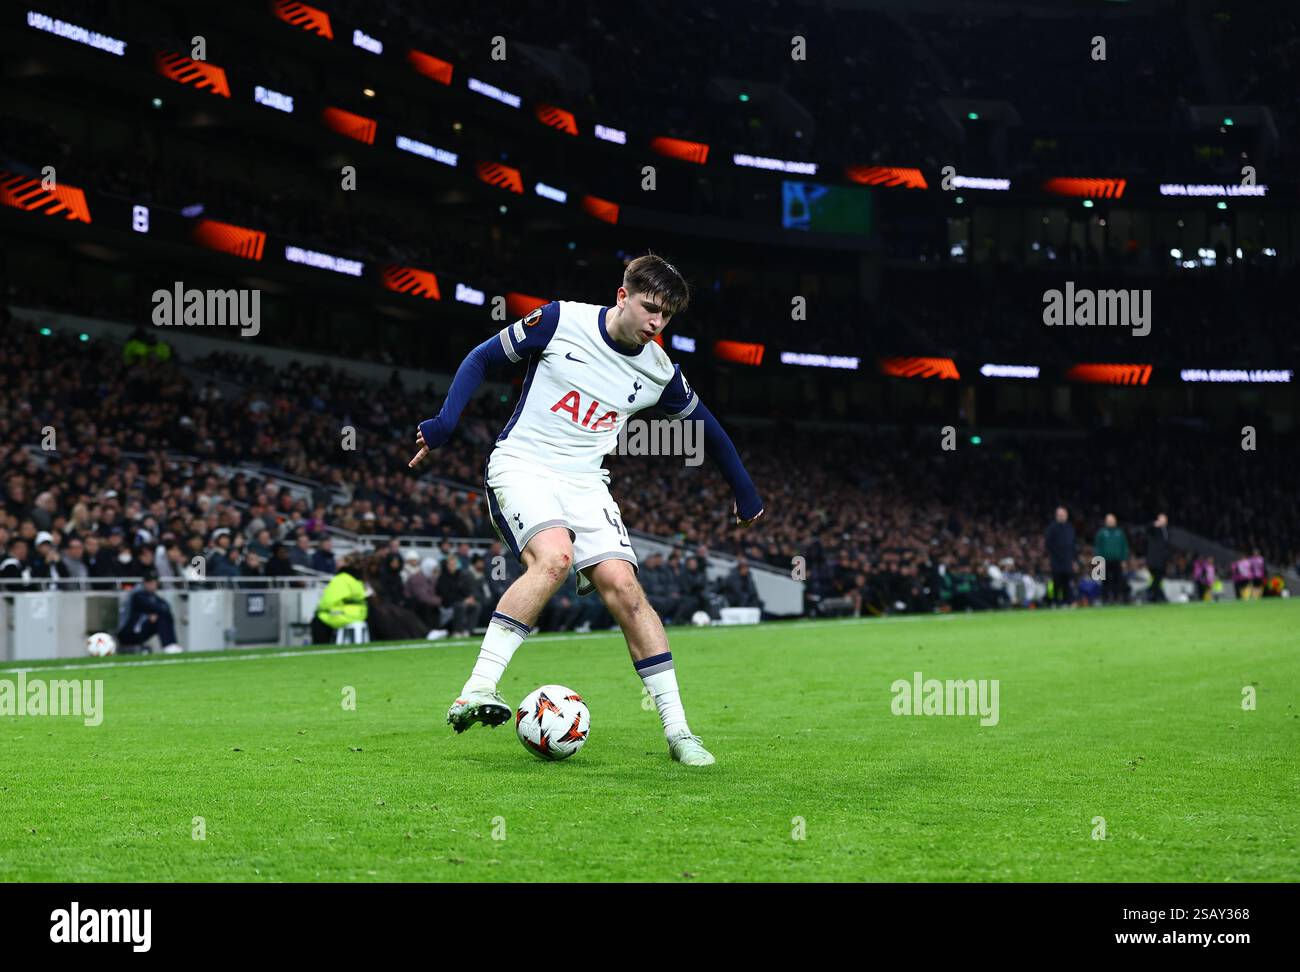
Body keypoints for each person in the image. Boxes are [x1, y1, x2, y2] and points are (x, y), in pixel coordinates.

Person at [411, 254, 764, 765]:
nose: (655, 324)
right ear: (622, 296)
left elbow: (706, 426)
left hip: (586, 484)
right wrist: (446, 422)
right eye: (649, 309)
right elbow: (481, 359)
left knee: (625, 588)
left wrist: (744, 488)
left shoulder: (658, 368)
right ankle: (477, 689)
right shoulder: (559, 321)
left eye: (665, 317)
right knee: (554, 559)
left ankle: (680, 732)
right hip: (523, 465)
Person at [115, 568, 183, 654]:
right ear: (145, 583)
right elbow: (154, 607)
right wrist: (150, 615)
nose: (153, 585)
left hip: (139, 630)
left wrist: (154, 614)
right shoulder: (138, 594)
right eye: (150, 583)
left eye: (154, 583)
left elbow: (166, 607)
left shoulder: (151, 595)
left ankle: (172, 644)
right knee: (161, 617)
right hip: (128, 633)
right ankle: (169, 646)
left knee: (165, 616)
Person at [311, 553, 369, 644]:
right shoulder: (358, 579)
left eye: (340, 561)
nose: (337, 562)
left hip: (344, 614)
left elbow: (328, 601)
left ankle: (321, 646)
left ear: (346, 564)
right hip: (360, 614)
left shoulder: (341, 578)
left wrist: (319, 609)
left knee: (319, 617)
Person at [1044, 506, 1076, 607]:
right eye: (1060, 515)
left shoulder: (1070, 527)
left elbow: (1073, 544)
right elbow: (1048, 544)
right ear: (1056, 516)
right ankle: (1054, 601)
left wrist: (1074, 559)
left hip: (1067, 560)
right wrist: (1055, 554)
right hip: (1056, 560)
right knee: (1056, 582)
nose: (1062, 517)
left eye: (1063, 515)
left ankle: (1067, 602)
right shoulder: (1052, 528)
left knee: (1067, 583)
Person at [1094, 513, 1129, 605]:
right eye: (1109, 520)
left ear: (1115, 521)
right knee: (1105, 580)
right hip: (1104, 561)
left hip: (1117, 560)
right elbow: (1097, 547)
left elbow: (1124, 546)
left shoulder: (1120, 532)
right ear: (1106, 521)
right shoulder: (1101, 533)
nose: (1111, 522)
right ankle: (1105, 599)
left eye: (1112, 520)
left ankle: (1116, 598)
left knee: (1117, 580)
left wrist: (1124, 559)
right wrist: (1098, 560)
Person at [1145, 513, 1169, 603]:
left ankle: (1154, 597)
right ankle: (1151, 592)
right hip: (1154, 560)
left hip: (1162, 560)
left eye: (1165, 519)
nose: (1163, 521)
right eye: (1161, 519)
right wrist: (1153, 524)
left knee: (1158, 578)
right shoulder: (1155, 529)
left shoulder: (1166, 530)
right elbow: (1148, 529)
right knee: (1157, 578)